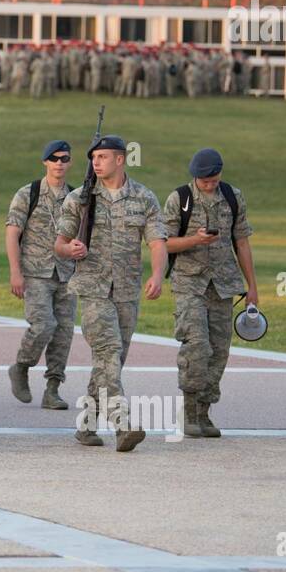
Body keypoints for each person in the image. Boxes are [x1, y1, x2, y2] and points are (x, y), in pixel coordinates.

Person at [55, 135, 166, 451]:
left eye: (103, 156)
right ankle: (123, 424)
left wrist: (158, 275)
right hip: (92, 288)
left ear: (121, 159)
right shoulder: (79, 199)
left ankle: (87, 425)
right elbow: (59, 244)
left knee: (111, 361)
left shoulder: (143, 197)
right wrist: (70, 248)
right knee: (108, 351)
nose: (96, 162)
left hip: (127, 291)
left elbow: (157, 241)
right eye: (94, 157)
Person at [163, 148, 257, 437]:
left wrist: (252, 286)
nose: (210, 184)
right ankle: (189, 411)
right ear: (195, 177)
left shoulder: (232, 196)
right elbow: (163, 243)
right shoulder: (180, 199)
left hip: (224, 285)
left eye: (214, 179)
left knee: (218, 351)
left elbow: (241, 242)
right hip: (190, 283)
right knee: (197, 346)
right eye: (205, 180)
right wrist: (195, 240)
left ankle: (204, 412)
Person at [6, 140, 77, 410]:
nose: (59, 162)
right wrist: (15, 272)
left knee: (64, 333)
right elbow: (12, 233)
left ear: (70, 162)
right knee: (43, 325)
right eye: (54, 158)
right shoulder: (29, 193)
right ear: (45, 162)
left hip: (67, 274)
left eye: (64, 158)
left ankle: (52, 389)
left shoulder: (76, 196)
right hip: (35, 273)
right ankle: (21, 366)